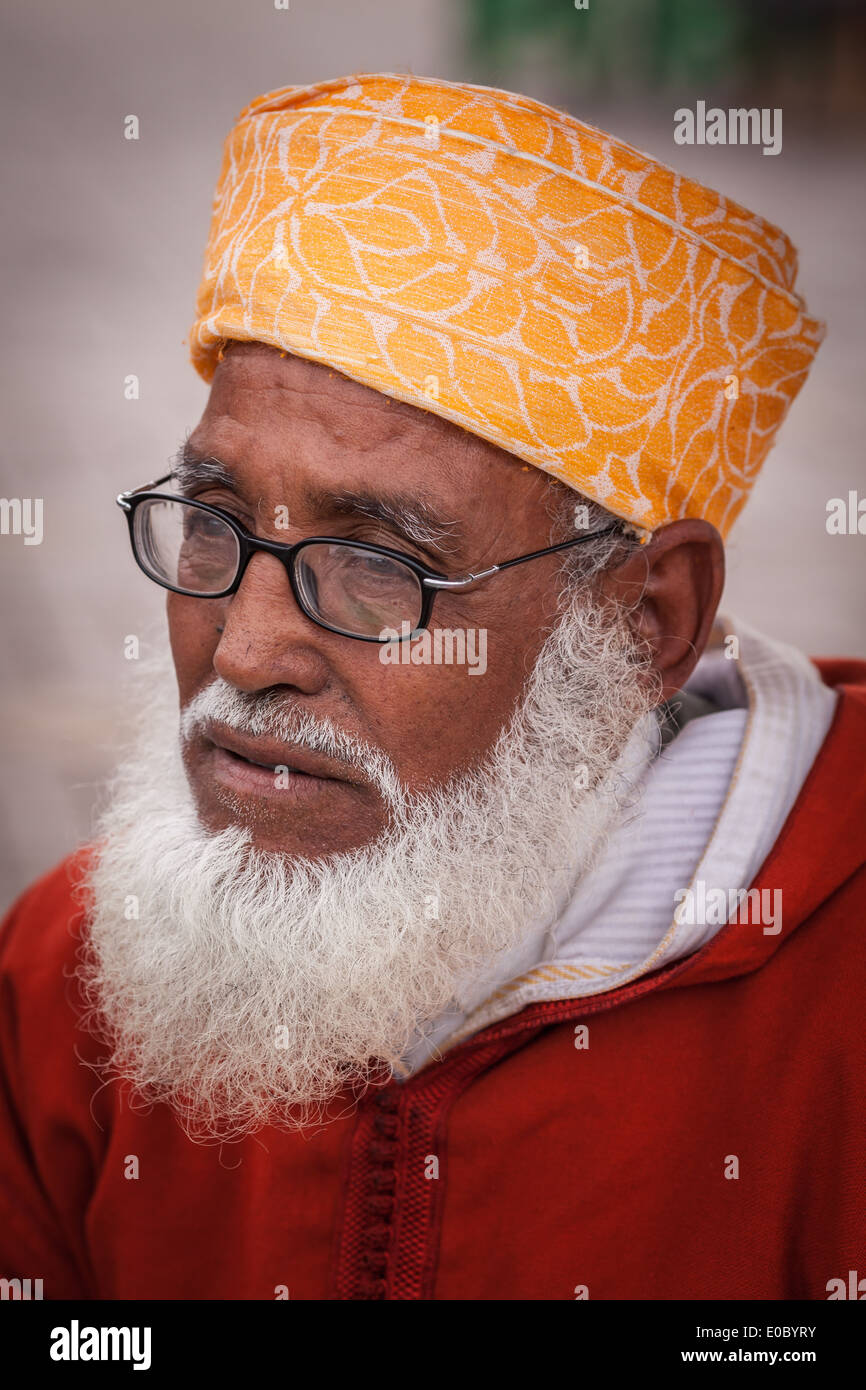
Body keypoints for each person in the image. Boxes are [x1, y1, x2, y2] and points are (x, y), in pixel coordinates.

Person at [1, 72, 863, 1302]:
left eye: (377, 564)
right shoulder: (63, 974)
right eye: (212, 519)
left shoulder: (835, 1030)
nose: (244, 652)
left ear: (643, 622)